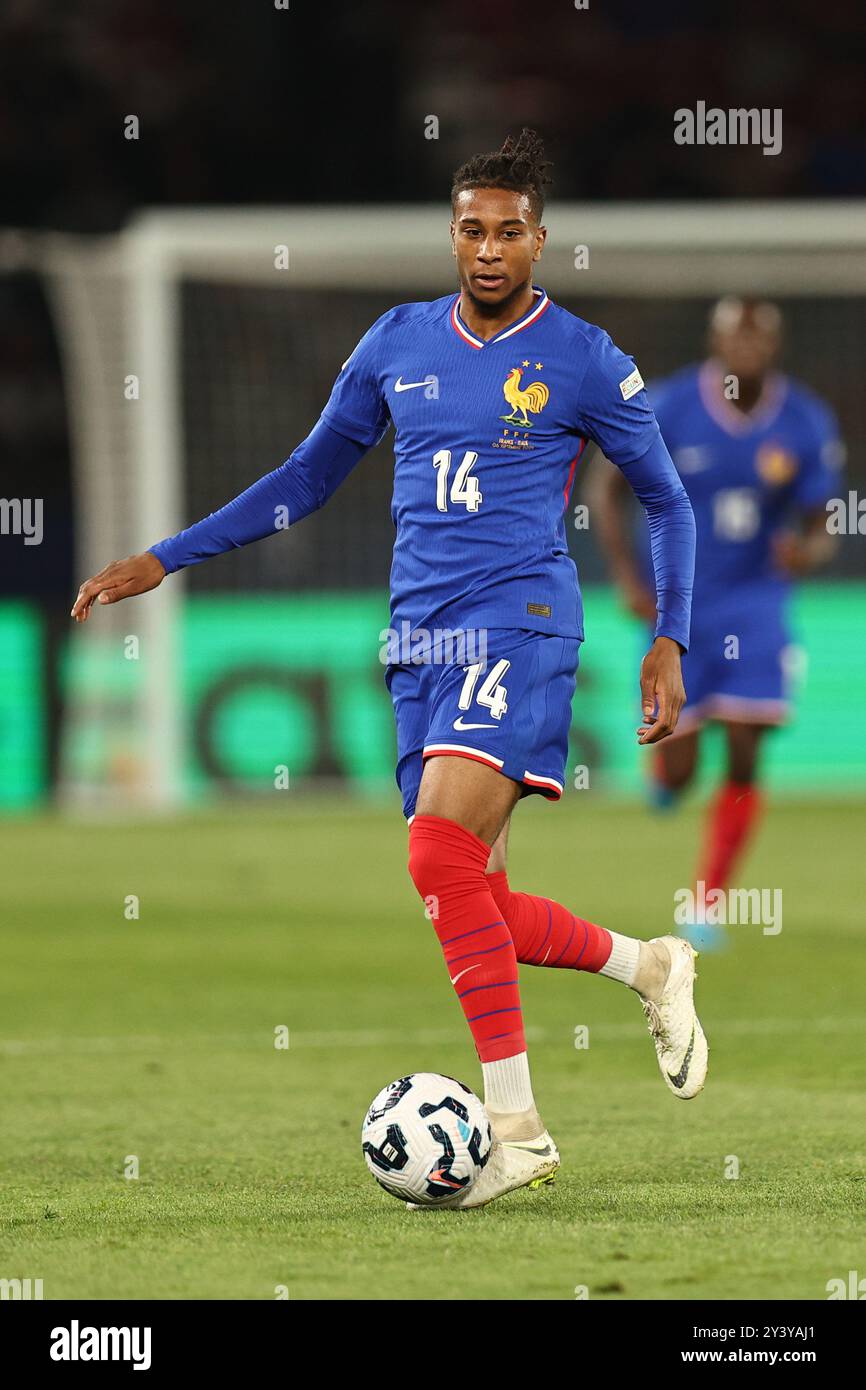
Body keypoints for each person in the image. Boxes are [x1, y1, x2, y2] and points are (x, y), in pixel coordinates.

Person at [71, 130, 704, 1210]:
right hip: (417, 644)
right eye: (471, 229)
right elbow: (306, 475)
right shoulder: (394, 342)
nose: (490, 248)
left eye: (510, 231)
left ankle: (515, 1129)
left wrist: (668, 638)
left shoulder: (584, 359)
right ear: (451, 235)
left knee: (434, 854)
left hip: (522, 622)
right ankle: (648, 966)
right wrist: (166, 556)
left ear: (539, 242)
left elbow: (665, 497)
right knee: (472, 895)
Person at [592, 297, 843, 949]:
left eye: (759, 339)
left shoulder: (805, 421)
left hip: (758, 602)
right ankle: (665, 780)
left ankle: (705, 903)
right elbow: (604, 489)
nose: (747, 349)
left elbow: (825, 521)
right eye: (736, 337)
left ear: (775, 346)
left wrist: (808, 551)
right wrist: (625, 576)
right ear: (716, 342)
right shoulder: (671, 407)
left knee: (744, 747)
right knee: (679, 768)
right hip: (680, 601)